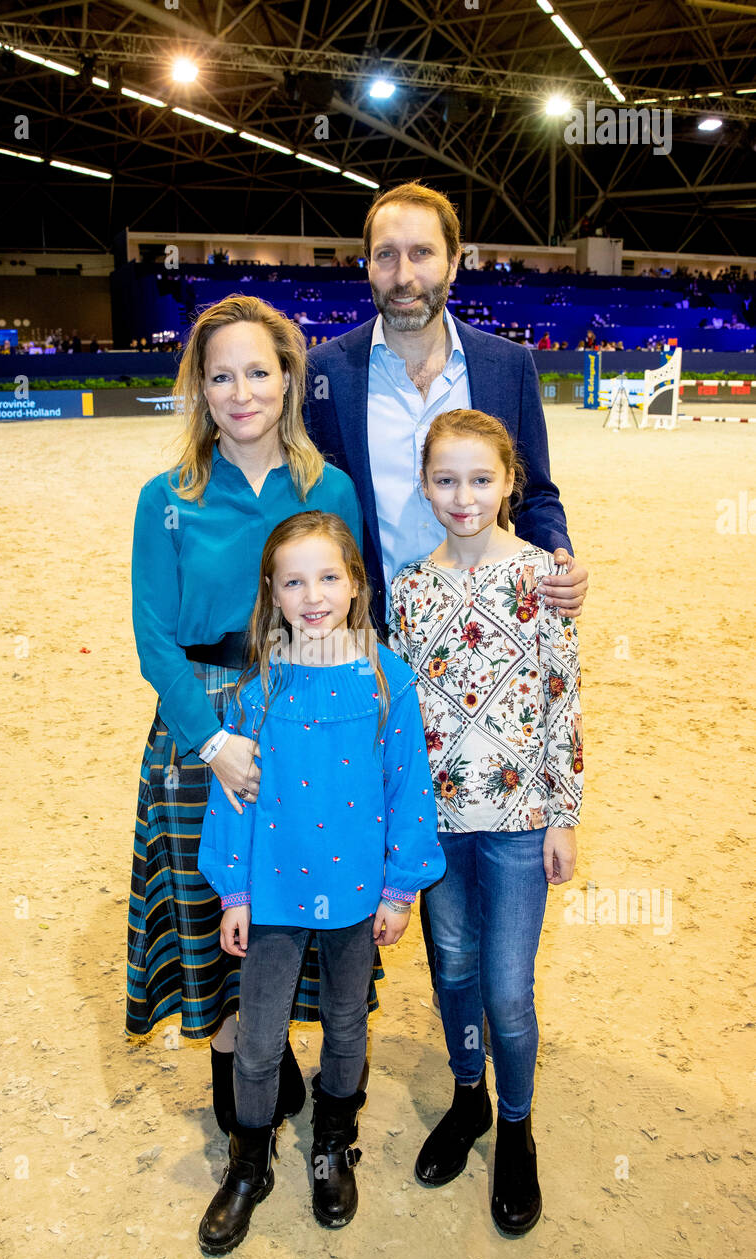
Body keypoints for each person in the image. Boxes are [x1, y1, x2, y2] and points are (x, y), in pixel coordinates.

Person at [304, 180, 587, 1009]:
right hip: (371, 649)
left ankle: (474, 1032)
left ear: (453, 263)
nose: (403, 272)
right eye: (385, 255)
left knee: (455, 837)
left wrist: (562, 556)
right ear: (366, 267)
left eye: (421, 252)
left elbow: (535, 492)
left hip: (480, 651)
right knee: (373, 834)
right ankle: (351, 1024)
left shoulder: (507, 366)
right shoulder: (326, 374)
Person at [127, 295, 373, 1136]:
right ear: (198, 387)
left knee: (294, 893)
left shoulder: (329, 487)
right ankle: (234, 1056)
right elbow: (154, 638)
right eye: (220, 375)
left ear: (288, 380)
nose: (241, 392)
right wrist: (215, 737)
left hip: (302, 714)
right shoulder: (166, 497)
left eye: (258, 372)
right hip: (200, 725)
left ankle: (276, 1045)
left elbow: (344, 610)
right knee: (217, 909)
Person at [196, 511, 446, 1254]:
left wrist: (401, 890)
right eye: (294, 580)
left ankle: (334, 1142)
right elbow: (233, 797)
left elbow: (410, 790)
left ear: (355, 584)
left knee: (345, 1024)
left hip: (356, 896)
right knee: (260, 1038)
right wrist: (234, 893)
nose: (313, 595)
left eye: (329, 577)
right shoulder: (259, 688)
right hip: (271, 894)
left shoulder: (384, 678)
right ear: (271, 592)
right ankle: (250, 1161)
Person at [388, 409, 583, 1235]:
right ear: (424, 485)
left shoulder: (543, 577)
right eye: (444, 479)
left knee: (508, 987)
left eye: (480, 479)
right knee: (453, 971)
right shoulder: (406, 586)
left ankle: (516, 1126)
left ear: (509, 482)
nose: (462, 496)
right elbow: (397, 721)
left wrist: (564, 815)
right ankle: (469, 1096)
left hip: (517, 822)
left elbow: (563, 698)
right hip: (438, 828)